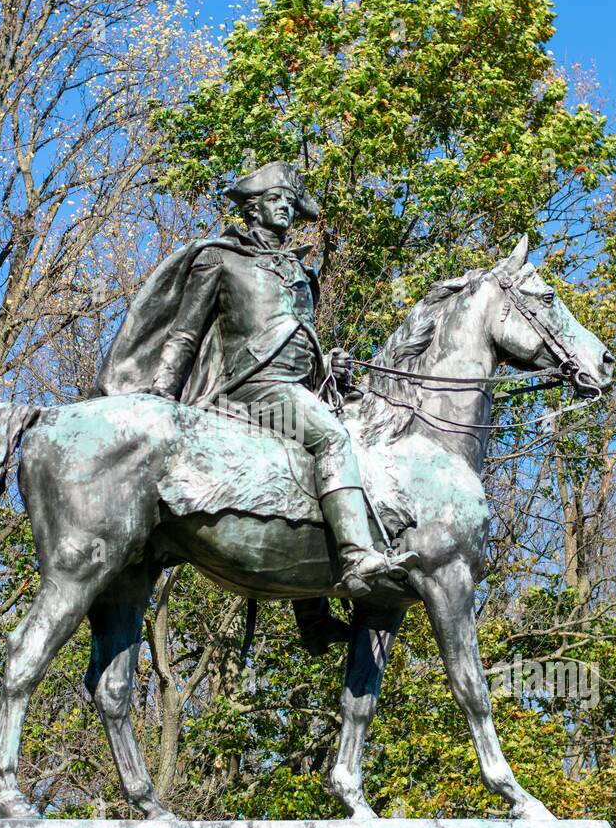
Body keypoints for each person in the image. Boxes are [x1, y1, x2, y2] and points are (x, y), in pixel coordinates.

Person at [96, 161, 416, 596]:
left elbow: (296, 338)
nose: (284, 208)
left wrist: (328, 365)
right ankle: (357, 557)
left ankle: (312, 606)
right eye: (274, 200)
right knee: (334, 440)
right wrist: (161, 397)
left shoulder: (299, 271)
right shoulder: (220, 258)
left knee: (336, 452)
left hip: (297, 389)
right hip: (250, 392)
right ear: (252, 208)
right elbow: (186, 333)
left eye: (289, 202)